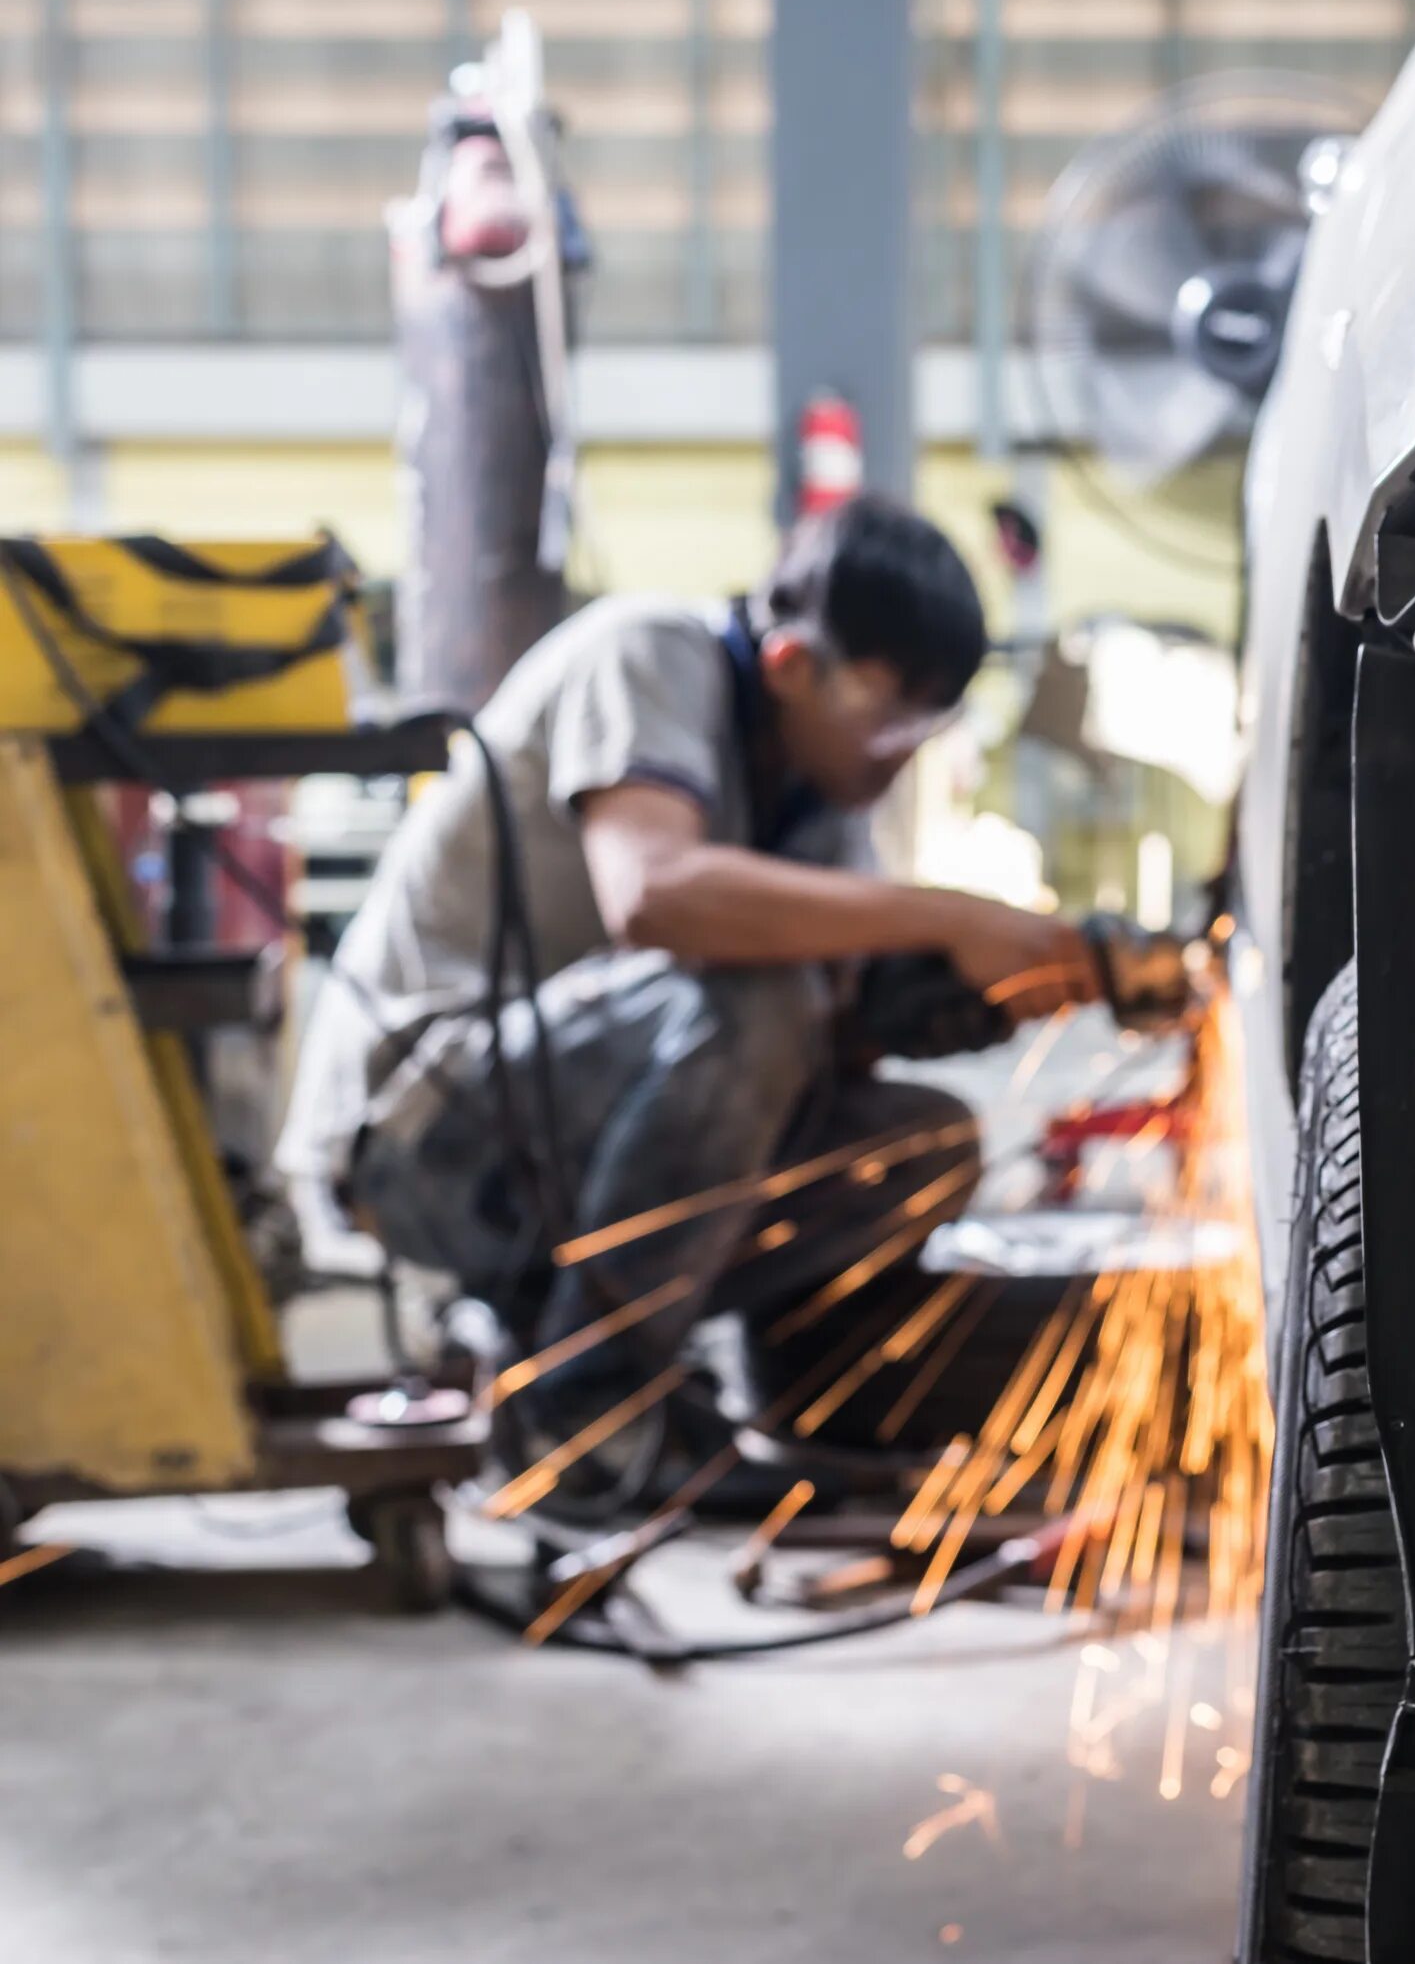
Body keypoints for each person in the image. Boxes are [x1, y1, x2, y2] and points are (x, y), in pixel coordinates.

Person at [275, 495, 1092, 1440]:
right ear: (793, 666)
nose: (896, 766)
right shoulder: (648, 653)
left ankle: (767, 1411)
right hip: (420, 1137)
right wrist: (951, 914)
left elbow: (816, 1044)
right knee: (760, 997)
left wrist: (962, 990)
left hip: (563, 1139)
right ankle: (585, 1423)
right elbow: (655, 896)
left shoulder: (816, 800)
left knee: (920, 1148)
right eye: (890, 732)